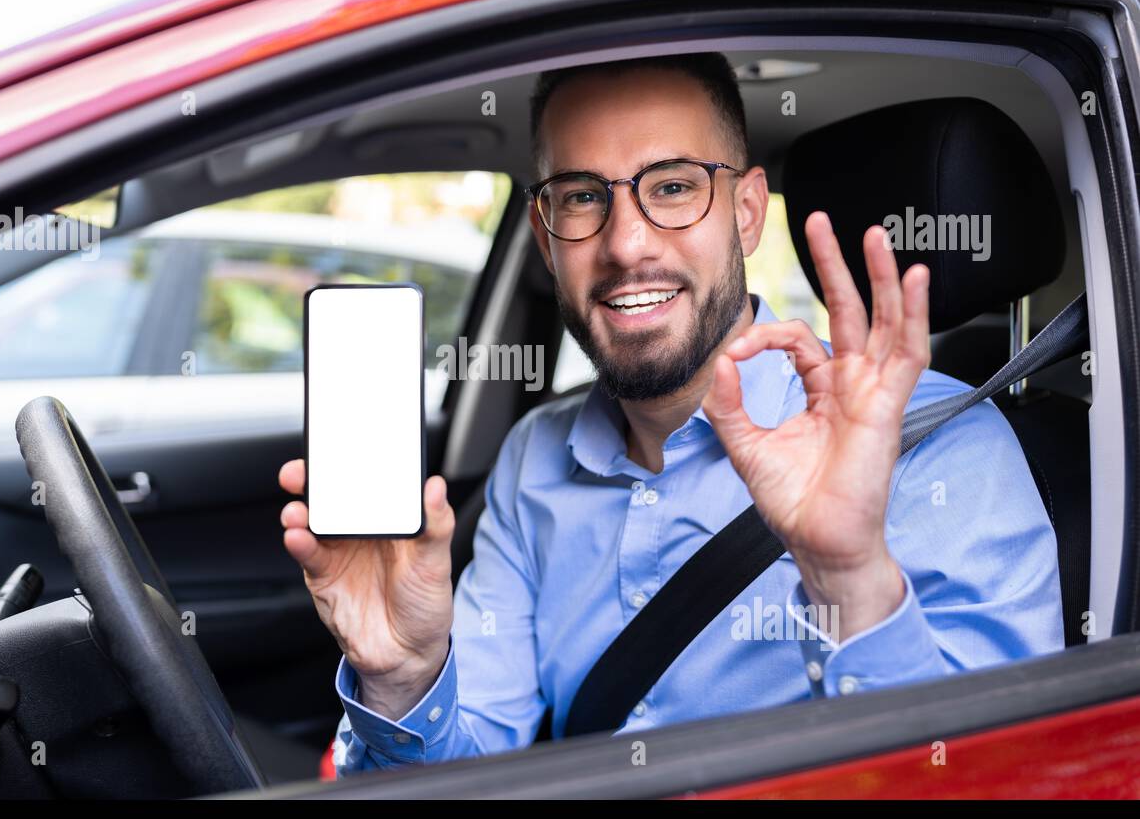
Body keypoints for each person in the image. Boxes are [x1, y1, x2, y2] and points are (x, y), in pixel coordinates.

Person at [277, 52, 1064, 775]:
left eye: (674, 186)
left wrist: (847, 575)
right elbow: (469, 778)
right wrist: (404, 680)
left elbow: (1003, 809)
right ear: (545, 240)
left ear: (748, 212)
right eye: (583, 197)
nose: (626, 244)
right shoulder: (533, 460)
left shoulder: (935, 445)